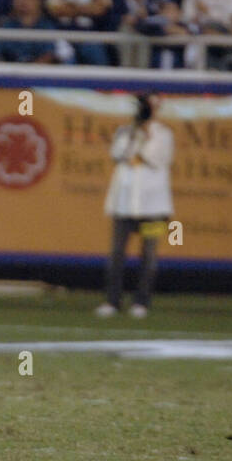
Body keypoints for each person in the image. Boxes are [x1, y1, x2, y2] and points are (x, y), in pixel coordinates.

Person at [97, 94, 173, 319]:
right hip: (123, 204)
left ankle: (142, 301)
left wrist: (147, 136)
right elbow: (118, 153)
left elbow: (157, 158)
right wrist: (135, 133)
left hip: (153, 206)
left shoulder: (164, 134)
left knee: (149, 255)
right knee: (116, 253)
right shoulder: (125, 131)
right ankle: (112, 300)